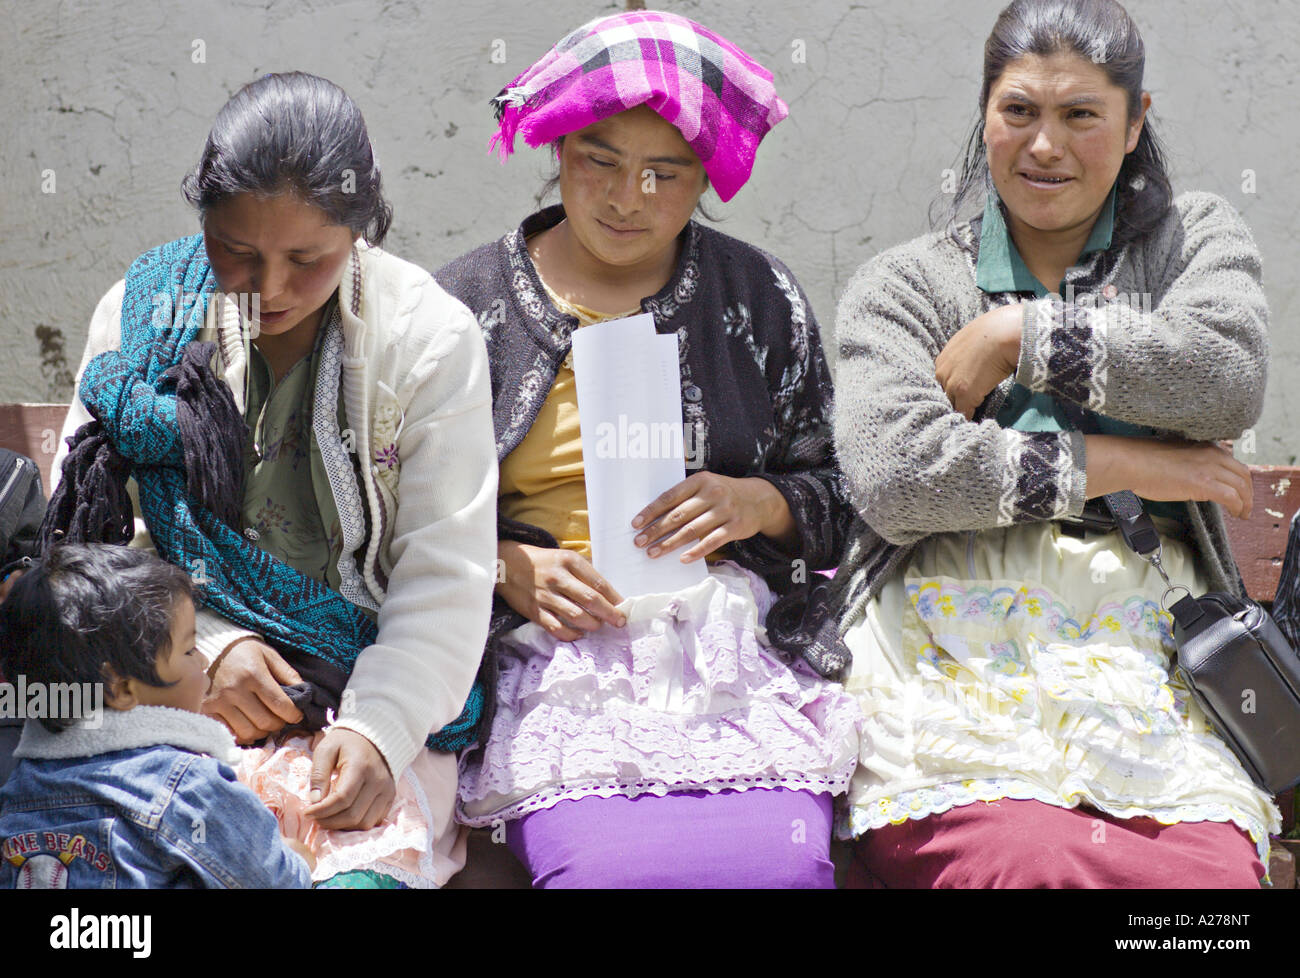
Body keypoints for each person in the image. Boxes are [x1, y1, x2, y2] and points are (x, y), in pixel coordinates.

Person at [832, 0, 1278, 889]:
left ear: (1135, 119)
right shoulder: (906, 285)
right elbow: (900, 480)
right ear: (985, 112)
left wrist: (1020, 337)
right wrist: (1135, 464)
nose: (1045, 146)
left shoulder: (1192, 241)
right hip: (947, 634)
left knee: (1205, 896)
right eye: (1019, 112)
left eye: (1081, 115)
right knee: (1019, 864)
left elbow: (1225, 375)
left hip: (1148, 637)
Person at [436, 10, 861, 889]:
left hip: (726, 653)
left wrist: (763, 505)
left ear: (707, 175)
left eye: (665, 173)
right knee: (605, 873)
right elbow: (386, 519)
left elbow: (844, 491)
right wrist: (503, 564)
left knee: (780, 868)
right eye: (599, 160)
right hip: (547, 663)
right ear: (555, 150)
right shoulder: (461, 310)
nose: (628, 198)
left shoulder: (758, 298)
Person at [46, 72, 497, 888]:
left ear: (360, 233)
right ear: (203, 220)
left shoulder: (427, 340)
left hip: (365, 690)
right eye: (238, 252)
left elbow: (446, 576)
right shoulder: (136, 319)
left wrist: (379, 731)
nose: (271, 288)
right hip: (169, 689)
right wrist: (207, 651)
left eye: (308, 259)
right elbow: (95, 558)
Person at [0, 544, 314, 888]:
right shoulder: (186, 784)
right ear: (119, 688)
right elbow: (274, 880)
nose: (204, 662)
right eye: (190, 649)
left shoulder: (18, 787)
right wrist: (299, 856)